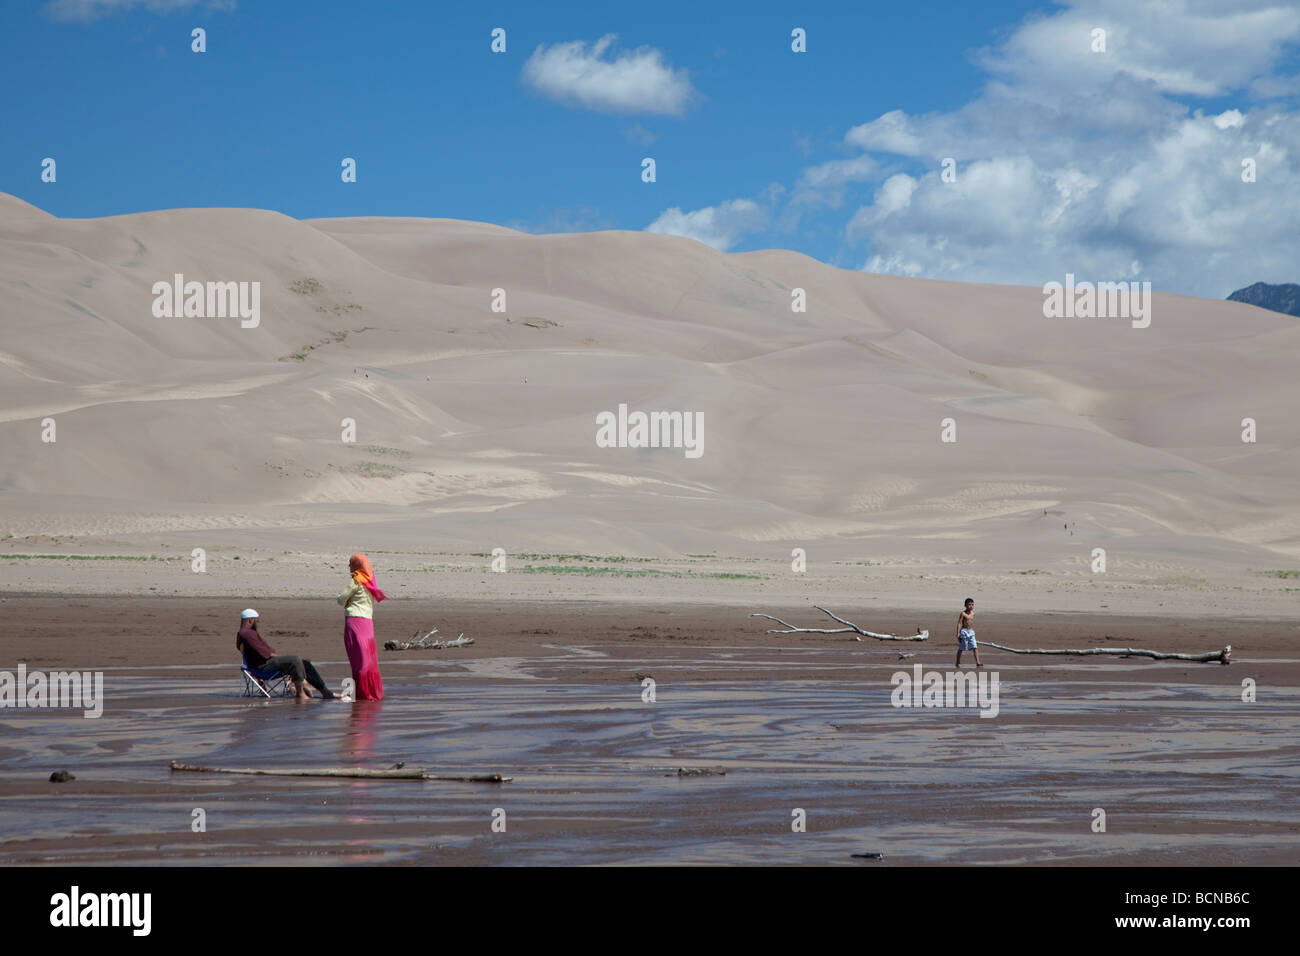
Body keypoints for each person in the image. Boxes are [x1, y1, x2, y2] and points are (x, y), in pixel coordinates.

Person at [235, 609, 343, 700]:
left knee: (304, 663)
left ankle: (325, 692)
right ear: (250, 620)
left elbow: (254, 651)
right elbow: (262, 651)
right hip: (263, 668)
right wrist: (275, 656)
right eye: (256, 621)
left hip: (262, 665)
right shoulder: (247, 633)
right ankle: (300, 693)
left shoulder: (243, 633)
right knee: (294, 659)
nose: (256, 624)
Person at [338, 553, 386, 700]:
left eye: (351, 563)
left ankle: (362, 693)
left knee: (358, 659)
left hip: (354, 621)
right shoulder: (370, 580)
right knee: (369, 659)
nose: (349, 566)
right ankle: (372, 692)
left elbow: (341, 599)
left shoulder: (356, 580)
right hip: (367, 622)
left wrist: (347, 603)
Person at [955, 597, 982, 668]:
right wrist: (958, 633)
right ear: (965, 605)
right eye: (969, 605)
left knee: (974, 647)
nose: (971, 606)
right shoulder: (963, 614)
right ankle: (958, 662)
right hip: (964, 631)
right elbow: (959, 623)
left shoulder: (973, 613)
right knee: (962, 647)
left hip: (971, 631)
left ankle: (978, 662)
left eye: (972, 605)